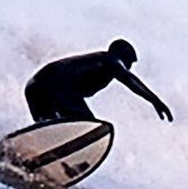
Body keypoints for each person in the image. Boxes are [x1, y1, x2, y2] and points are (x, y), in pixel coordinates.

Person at [24, 38, 171, 128]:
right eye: (130, 63)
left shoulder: (96, 61)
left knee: (50, 129)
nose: (129, 68)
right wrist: (155, 100)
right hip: (56, 83)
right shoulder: (110, 60)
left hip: (35, 86)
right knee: (87, 126)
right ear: (123, 57)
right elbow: (129, 80)